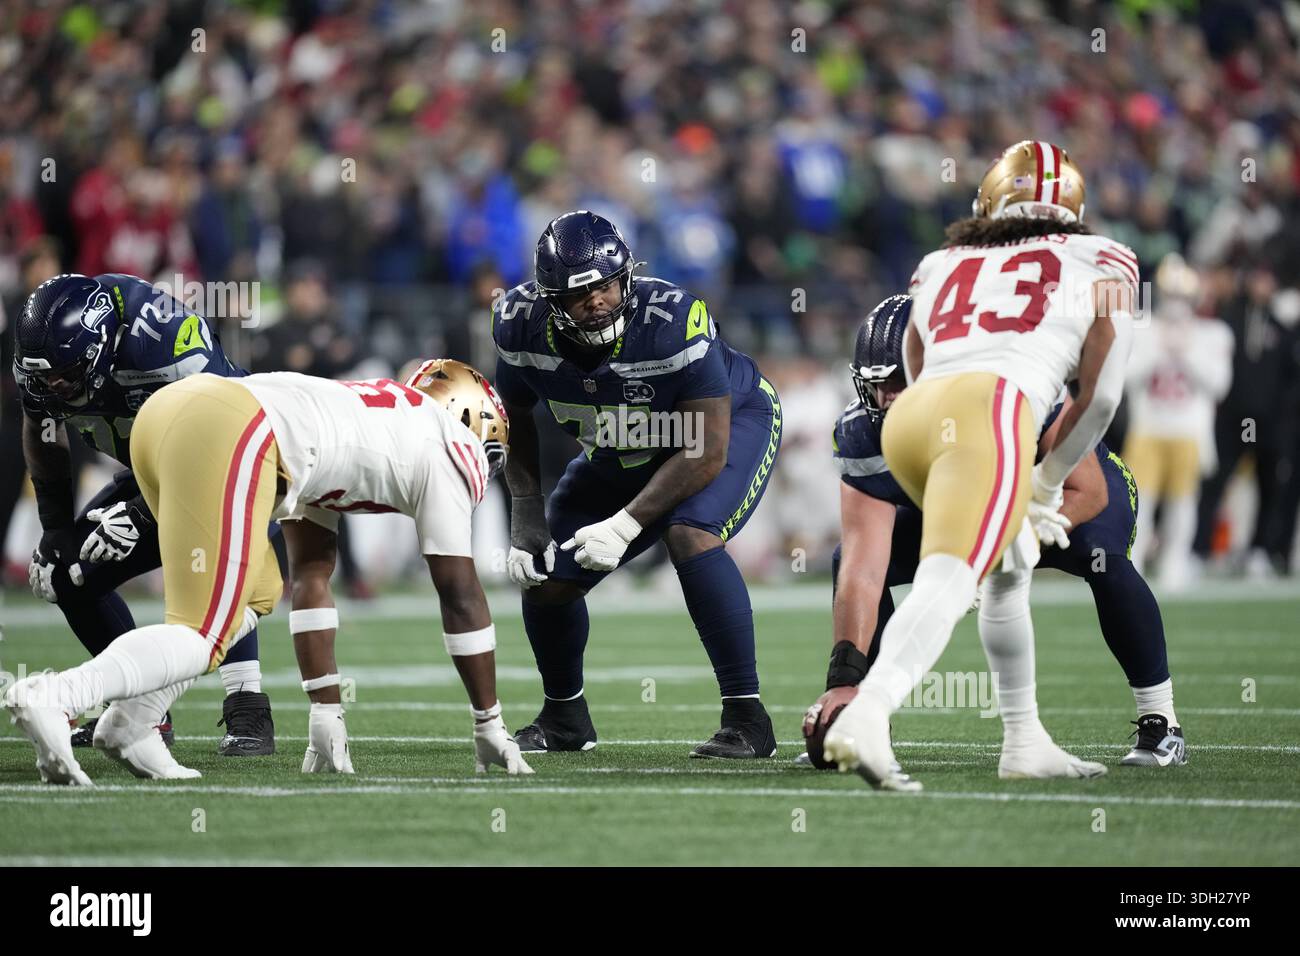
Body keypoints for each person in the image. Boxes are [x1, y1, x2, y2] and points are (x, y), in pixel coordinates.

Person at [2, 360, 532, 784]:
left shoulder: (368, 419)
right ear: (477, 422)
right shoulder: (449, 444)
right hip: (232, 428)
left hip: (176, 414)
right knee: (202, 631)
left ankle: (132, 722)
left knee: (259, 591)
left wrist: (326, 712)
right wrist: (489, 722)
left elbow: (312, 574)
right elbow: (460, 594)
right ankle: (61, 695)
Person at [823, 141, 1138, 789]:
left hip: (915, 416)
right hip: (988, 410)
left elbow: (915, 348)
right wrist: (1044, 485)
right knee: (949, 580)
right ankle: (868, 714)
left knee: (1006, 570)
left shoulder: (942, 260)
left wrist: (938, 426)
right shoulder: (1102, 257)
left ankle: (1024, 740)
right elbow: (1101, 396)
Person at [803, 295, 1184, 776]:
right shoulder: (862, 433)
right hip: (963, 506)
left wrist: (991, 554)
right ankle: (865, 718)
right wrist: (844, 680)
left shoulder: (1008, 388)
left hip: (1058, 493)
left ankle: (1161, 720)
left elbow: (1086, 491)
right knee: (845, 558)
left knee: (1101, 556)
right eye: (877, 385)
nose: (888, 399)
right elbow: (863, 565)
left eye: (902, 380)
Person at [495, 211, 783, 758]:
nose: (598, 301)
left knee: (690, 531)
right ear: (550, 297)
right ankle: (564, 718)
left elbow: (705, 448)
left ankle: (748, 718)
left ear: (626, 275)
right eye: (581, 293)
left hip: (723, 427)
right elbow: (514, 414)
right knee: (547, 574)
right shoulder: (518, 322)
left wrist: (626, 526)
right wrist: (525, 512)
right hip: (623, 441)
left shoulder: (673, 319)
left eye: (606, 284)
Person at [14, 272, 274, 755]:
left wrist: (139, 514)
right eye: (45, 378)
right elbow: (43, 431)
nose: (56, 388)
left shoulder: (164, 339)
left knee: (211, 566)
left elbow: (219, 444)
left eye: (65, 376)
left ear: (100, 347)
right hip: (152, 469)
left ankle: (248, 708)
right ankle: (141, 714)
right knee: (66, 572)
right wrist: (55, 530)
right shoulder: (53, 367)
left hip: (239, 468)